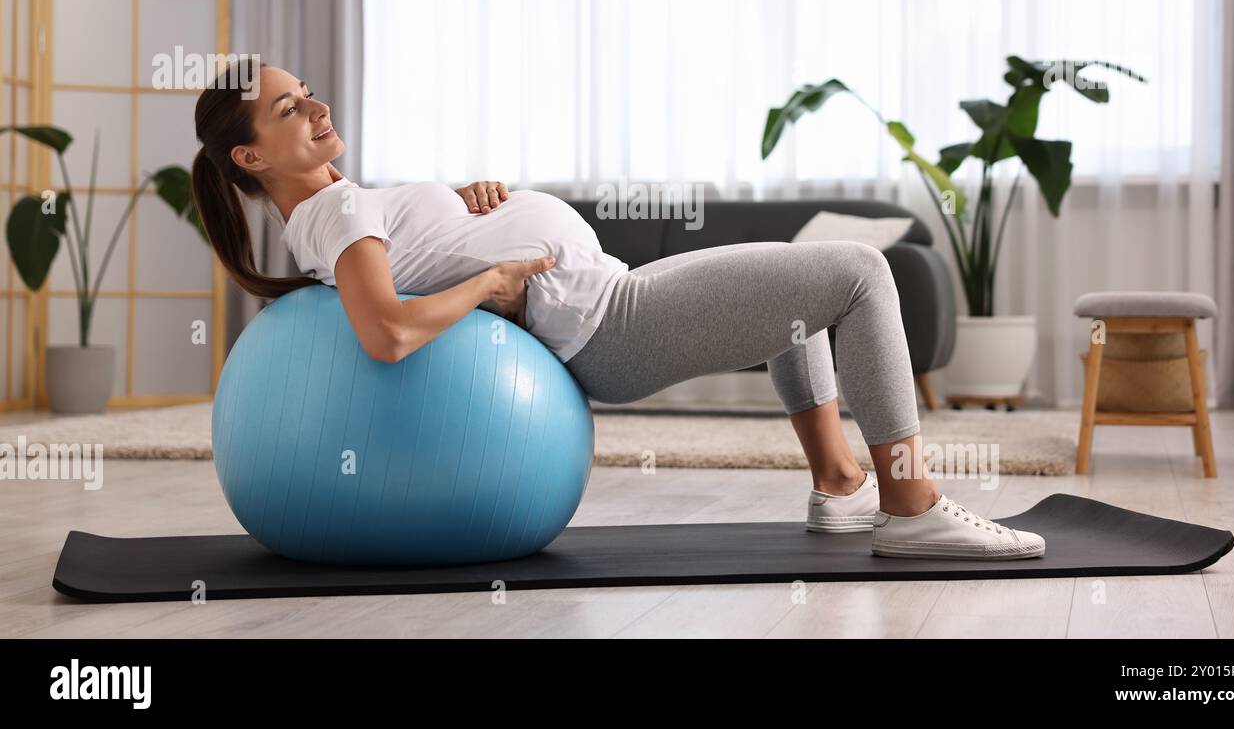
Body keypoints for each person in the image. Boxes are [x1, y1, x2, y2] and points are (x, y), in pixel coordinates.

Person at [191, 57, 1044, 560]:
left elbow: (401, 256)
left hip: (602, 299)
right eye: (288, 108)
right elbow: (387, 332)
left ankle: (839, 484)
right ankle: (910, 505)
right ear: (251, 152)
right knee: (859, 271)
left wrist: (455, 206)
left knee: (798, 284)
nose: (316, 107)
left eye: (305, 90)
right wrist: (491, 283)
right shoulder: (334, 215)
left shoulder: (333, 207)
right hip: (611, 320)